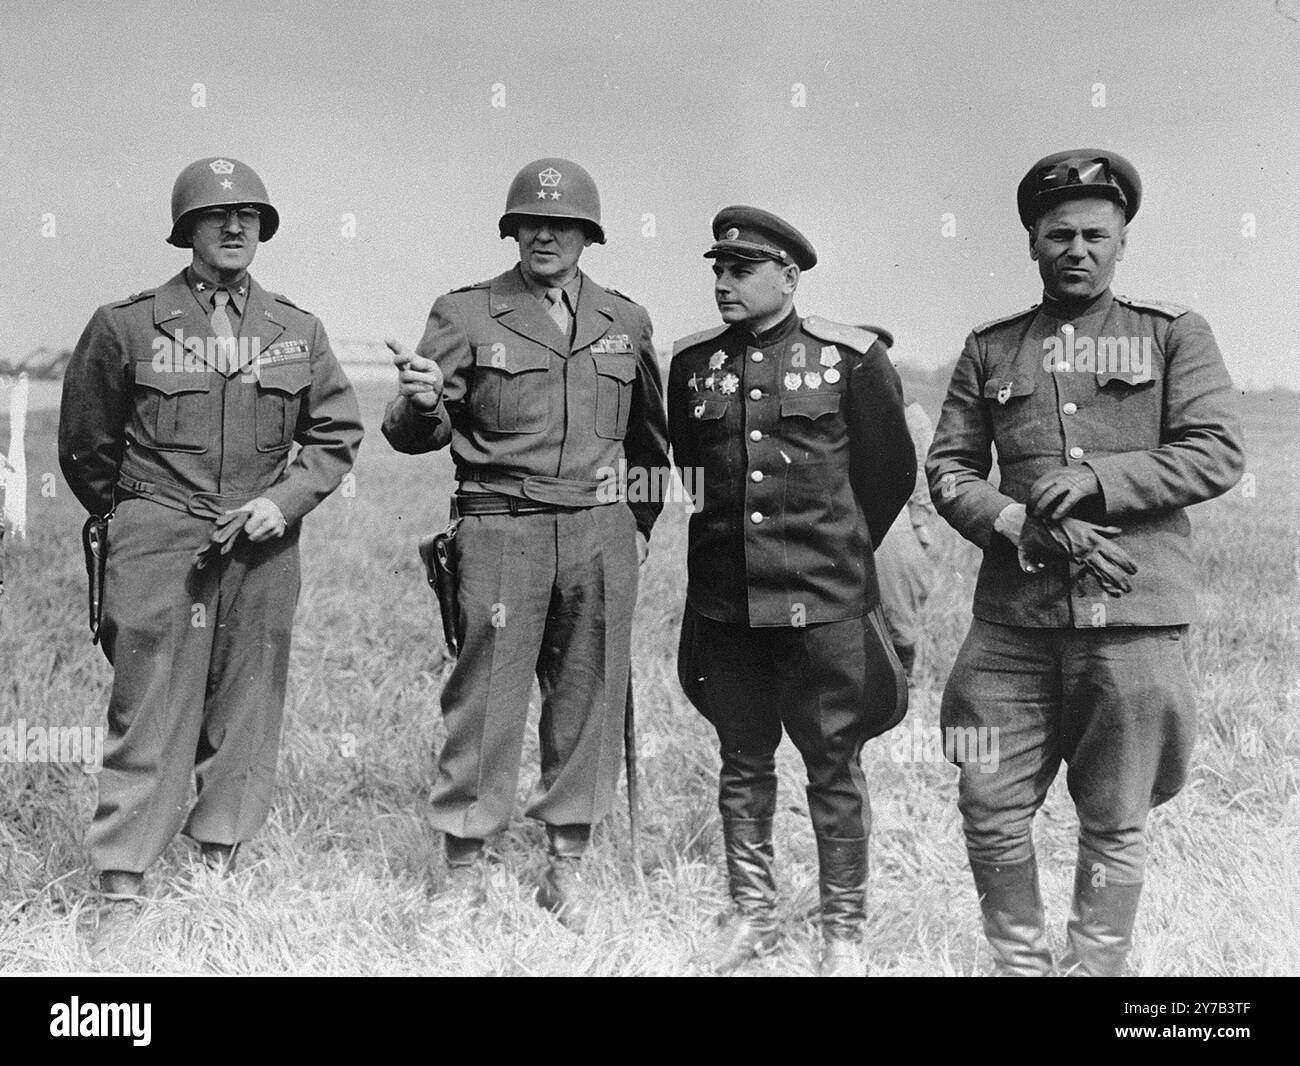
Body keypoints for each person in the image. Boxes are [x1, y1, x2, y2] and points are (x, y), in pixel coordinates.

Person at [926, 149, 1245, 975]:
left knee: (1115, 816)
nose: (1077, 249)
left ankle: (1098, 969)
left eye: (1095, 235)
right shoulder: (992, 347)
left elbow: (1216, 452)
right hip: (1013, 624)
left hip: (1132, 618)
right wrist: (1011, 520)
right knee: (988, 801)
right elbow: (950, 469)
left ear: (1122, 242)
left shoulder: (1172, 333)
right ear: (1032, 242)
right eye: (1059, 234)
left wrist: (1100, 480)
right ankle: (1020, 966)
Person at [58, 157, 363, 916]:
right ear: (185, 230)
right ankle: (121, 885)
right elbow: (86, 446)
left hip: (262, 545)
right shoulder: (127, 325)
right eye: (216, 216)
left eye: (248, 216)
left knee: (248, 705)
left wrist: (283, 503)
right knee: (149, 707)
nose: (234, 227)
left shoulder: (296, 329)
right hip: (159, 541)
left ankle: (217, 869)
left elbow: (334, 435)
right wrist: (145, 518)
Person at [382, 158, 669, 930]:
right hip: (501, 526)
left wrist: (637, 528)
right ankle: (465, 872)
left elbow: (651, 443)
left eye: (563, 225)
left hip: (599, 531)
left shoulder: (625, 320)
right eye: (532, 223)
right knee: (487, 699)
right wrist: (420, 404)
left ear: (588, 236)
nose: (546, 236)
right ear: (512, 231)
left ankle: (565, 867)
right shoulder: (466, 314)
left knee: (588, 696)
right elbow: (413, 433)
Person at [668, 206, 914, 975]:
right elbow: (693, 471)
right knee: (742, 758)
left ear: (789, 277)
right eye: (718, 269)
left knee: (833, 762)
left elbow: (888, 474)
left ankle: (842, 932)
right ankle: (752, 916)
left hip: (824, 603)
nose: (723, 283)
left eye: (741, 270)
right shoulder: (692, 363)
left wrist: (830, 551)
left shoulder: (851, 358)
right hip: (728, 603)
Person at [866, 329, 937, 679]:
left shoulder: (908, 412)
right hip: (839, 515)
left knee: (898, 617)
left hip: (894, 519)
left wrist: (921, 523)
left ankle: (904, 685)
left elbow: (921, 470)